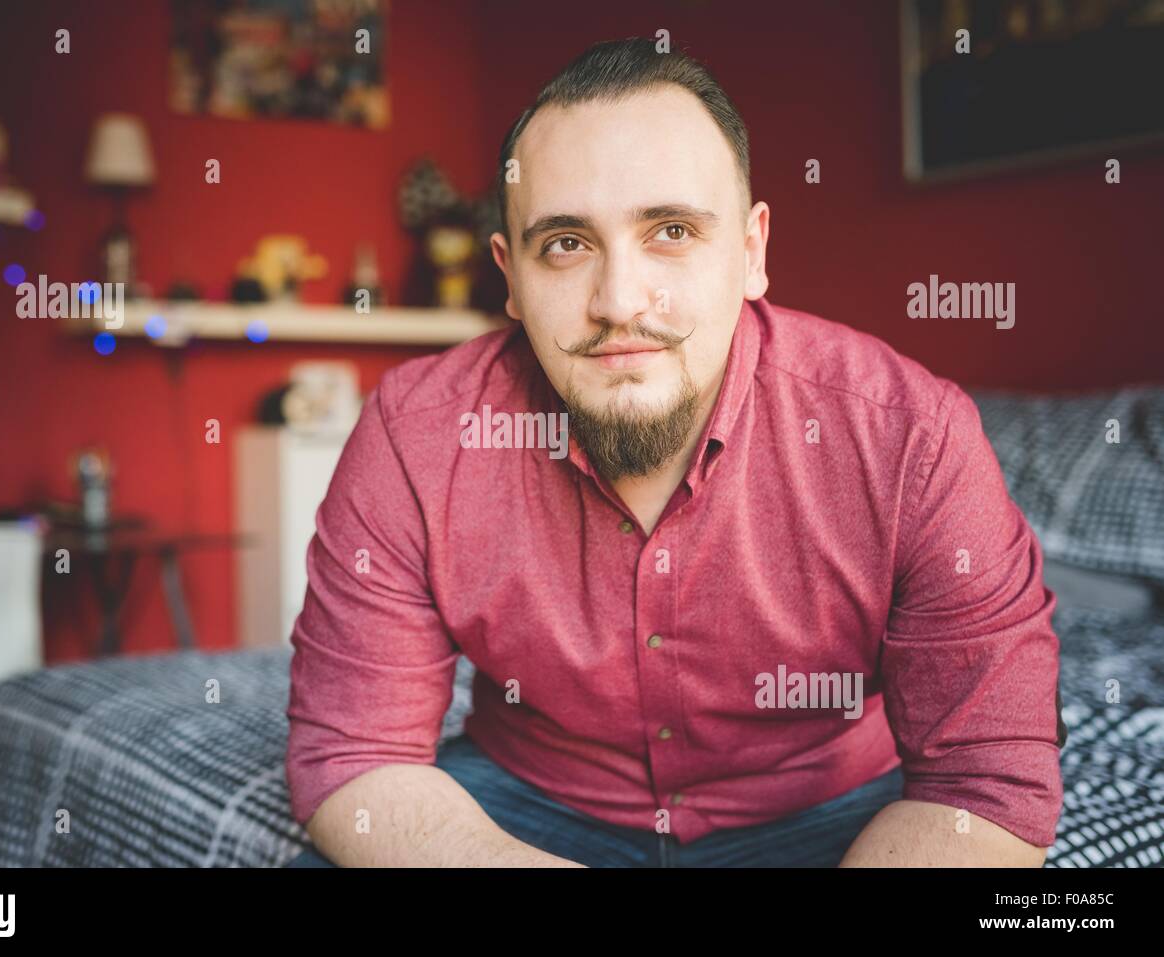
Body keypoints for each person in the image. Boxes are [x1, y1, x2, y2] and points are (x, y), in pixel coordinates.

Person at [284, 37, 1065, 868]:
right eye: (566, 244)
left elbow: (984, 788)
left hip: (830, 805)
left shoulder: (911, 435)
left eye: (671, 230)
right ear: (509, 277)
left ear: (752, 251)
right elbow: (355, 754)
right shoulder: (418, 431)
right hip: (527, 806)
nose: (619, 302)